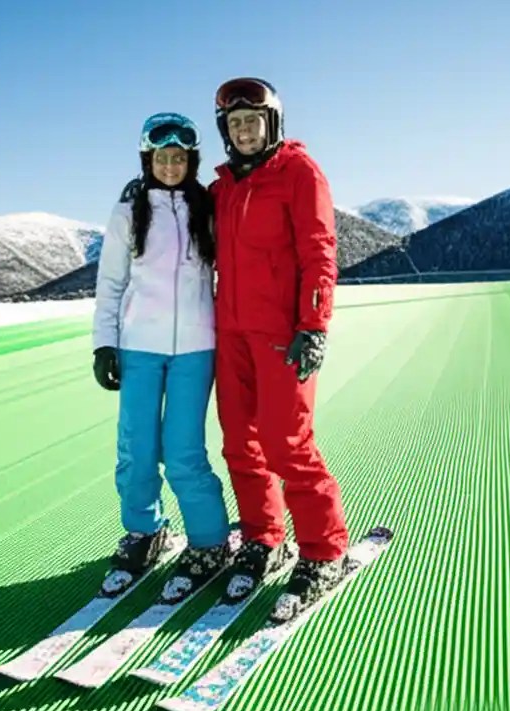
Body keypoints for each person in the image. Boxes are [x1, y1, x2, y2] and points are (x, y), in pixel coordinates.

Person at [207, 77, 351, 623]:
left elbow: (319, 250)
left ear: (273, 125)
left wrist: (313, 323)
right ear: (227, 131)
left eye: (253, 122)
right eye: (236, 124)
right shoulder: (220, 190)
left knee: (286, 442)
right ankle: (263, 538)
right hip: (231, 332)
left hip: (282, 332)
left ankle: (323, 549)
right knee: (239, 443)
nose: (245, 132)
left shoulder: (298, 172)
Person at [90, 112, 237, 603]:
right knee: (135, 451)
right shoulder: (129, 212)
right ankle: (143, 532)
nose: (170, 165)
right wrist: (103, 343)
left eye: (179, 157)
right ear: (147, 160)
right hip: (139, 348)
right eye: (161, 157)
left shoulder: (208, 208)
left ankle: (209, 542)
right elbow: (111, 283)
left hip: (197, 348)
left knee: (183, 452)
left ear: (191, 160)